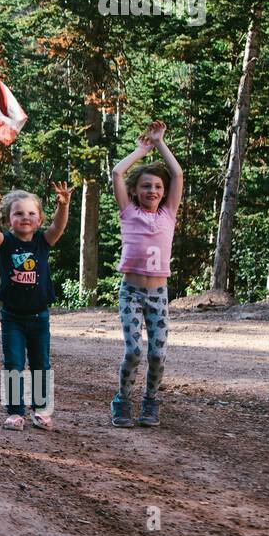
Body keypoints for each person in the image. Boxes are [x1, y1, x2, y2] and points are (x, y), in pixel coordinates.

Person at [0, 182, 74, 429]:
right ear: (8, 220)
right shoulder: (5, 243)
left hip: (40, 317)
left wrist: (63, 204)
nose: (25, 217)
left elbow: (58, 226)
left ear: (39, 220)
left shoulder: (43, 241)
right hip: (12, 318)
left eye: (31, 213)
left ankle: (41, 411)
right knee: (14, 363)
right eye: (18, 213)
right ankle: (16, 413)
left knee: (41, 364)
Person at [109, 120, 183, 428]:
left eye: (157, 187)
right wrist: (141, 150)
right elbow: (116, 173)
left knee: (158, 353)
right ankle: (122, 400)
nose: (151, 190)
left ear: (164, 193)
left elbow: (177, 173)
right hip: (131, 293)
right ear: (135, 191)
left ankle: (151, 401)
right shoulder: (129, 212)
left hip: (158, 295)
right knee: (134, 350)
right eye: (145, 186)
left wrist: (160, 142)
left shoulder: (168, 214)